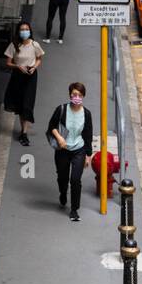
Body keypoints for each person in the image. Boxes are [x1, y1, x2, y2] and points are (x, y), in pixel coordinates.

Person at [47, 82, 94, 222]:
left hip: (79, 149)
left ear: (83, 96)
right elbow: (51, 127)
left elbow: (88, 135)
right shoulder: (61, 109)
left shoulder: (86, 114)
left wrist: (88, 156)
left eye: (79, 95)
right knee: (62, 177)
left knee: (75, 179)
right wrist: (59, 137)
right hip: (63, 150)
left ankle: (74, 209)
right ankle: (62, 192)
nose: (77, 97)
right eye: (74, 94)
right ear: (70, 95)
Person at [4, 21, 45, 146]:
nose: (24, 31)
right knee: (21, 105)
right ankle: (23, 132)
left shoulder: (35, 45)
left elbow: (39, 58)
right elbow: (8, 62)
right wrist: (17, 66)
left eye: (26, 29)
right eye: (22, 29)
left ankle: (24, 132)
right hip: (18, 76)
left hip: (31, 76)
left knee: (28, 104)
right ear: (18, 32)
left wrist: (34, 67)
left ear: (30, 31)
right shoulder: (14, 45)